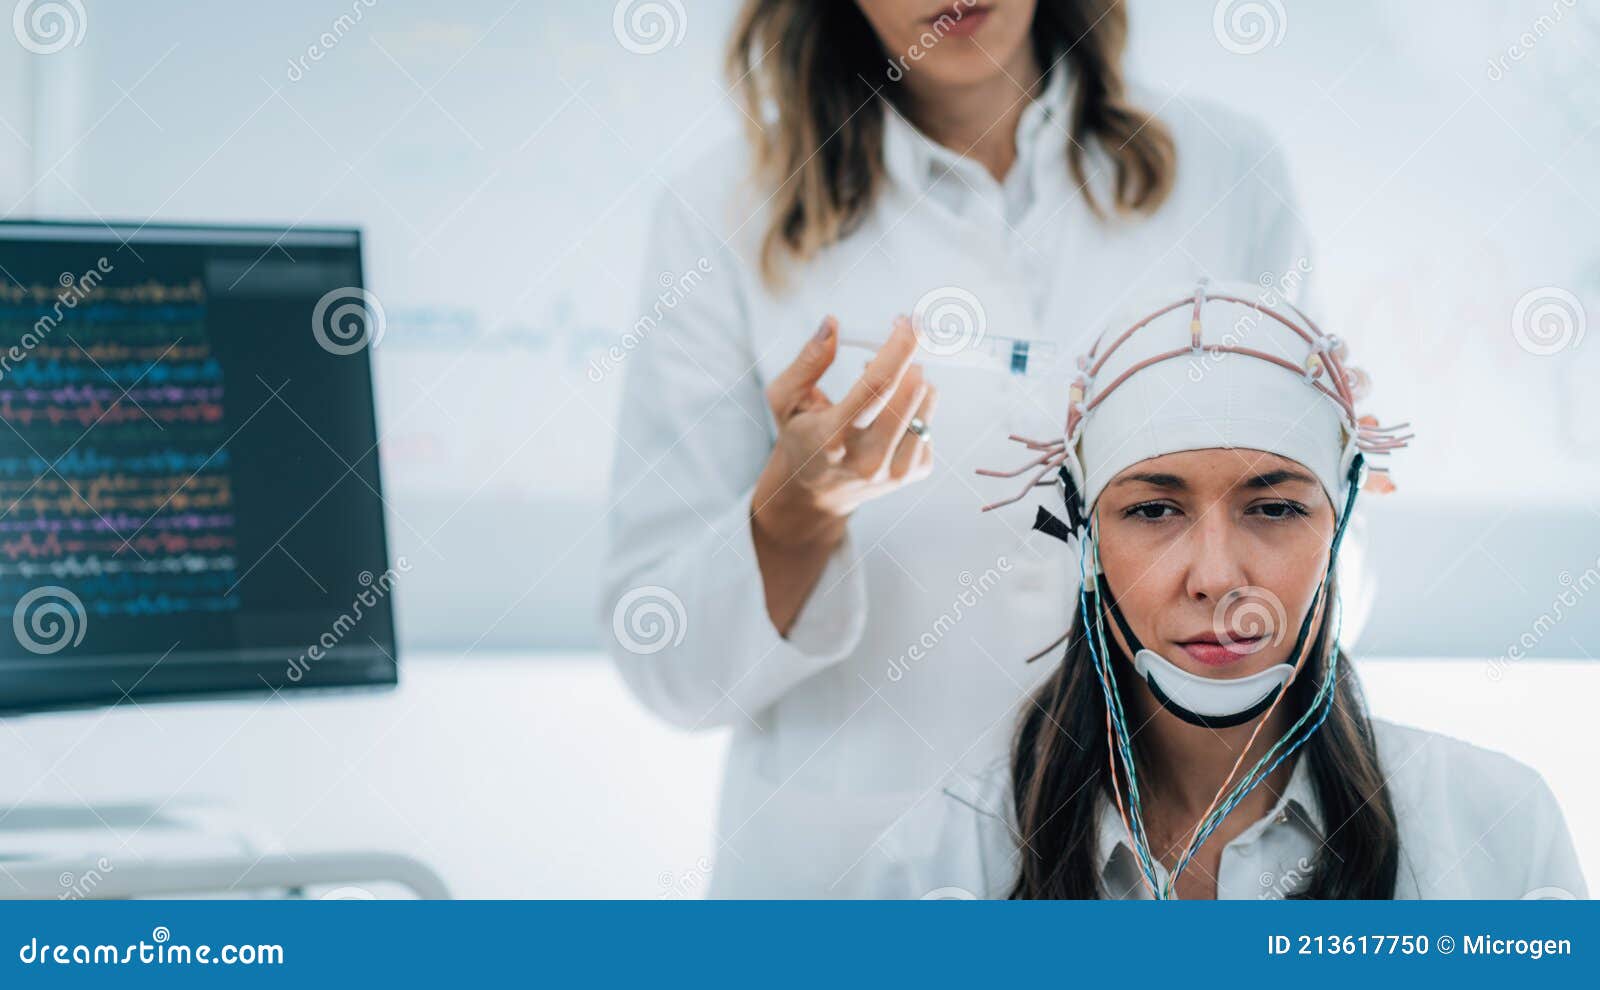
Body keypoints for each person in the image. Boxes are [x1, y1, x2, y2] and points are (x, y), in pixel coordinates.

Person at [600, 0, 1313, 897]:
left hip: (1167, 868)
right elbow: (668, 663)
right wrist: (796, 515)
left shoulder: (1229, 175)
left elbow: (1319, 564)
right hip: (849, 882)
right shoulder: (721, 211)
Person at [846, 283, 1589, 899]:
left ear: (1341, 520)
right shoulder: (929, 870)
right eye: (1153, 510)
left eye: (1274, 508)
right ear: (1085, 533)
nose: (1216, 580)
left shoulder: (1499, 833)